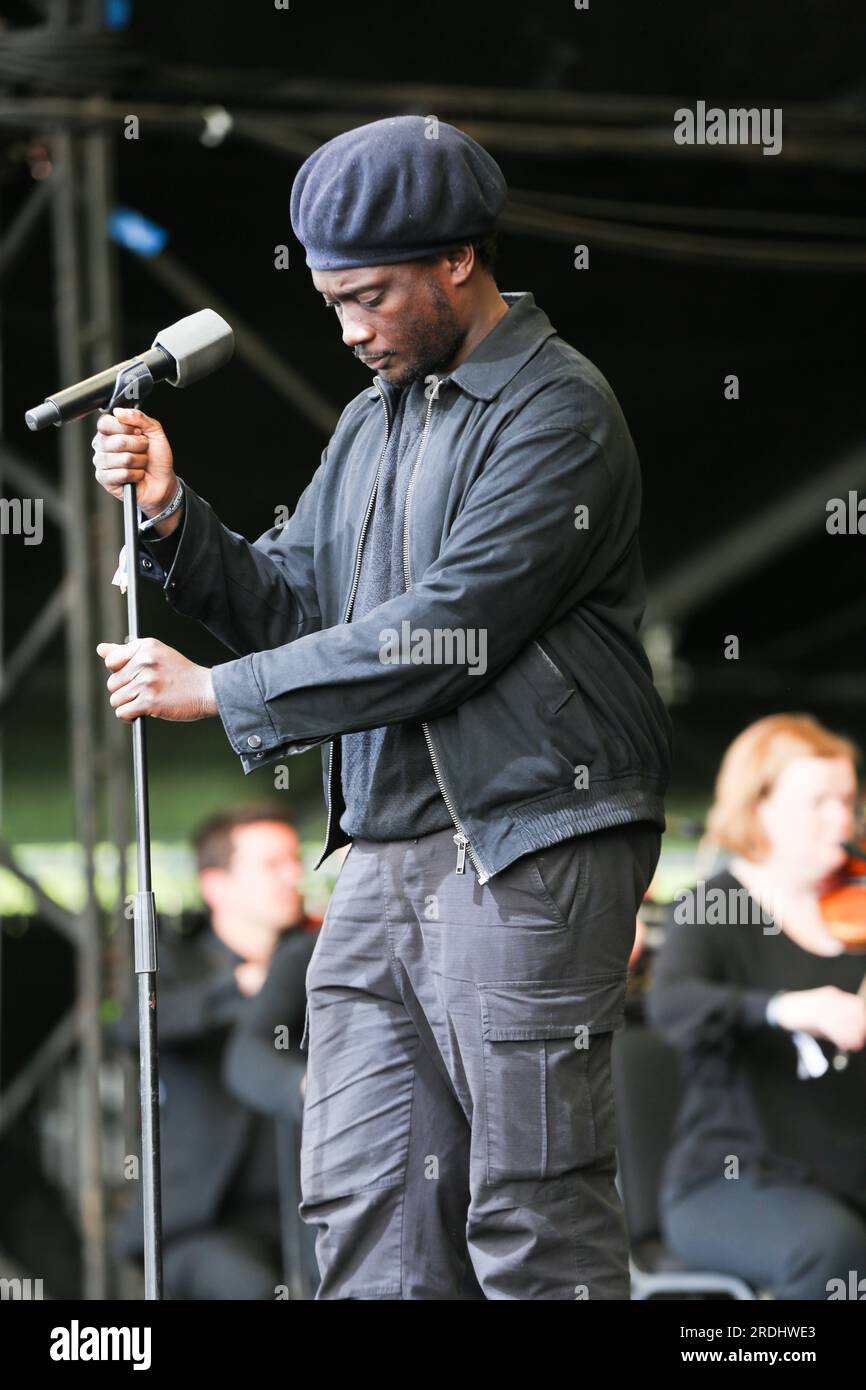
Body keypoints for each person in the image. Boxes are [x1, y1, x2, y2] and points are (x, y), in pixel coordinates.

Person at [92, 115, 672, 1299]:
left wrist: (221, 693)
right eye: (329, 301)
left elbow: (450, 633)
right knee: (365, 1203)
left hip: (526, 844)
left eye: (368, 297)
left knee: (531, 1210)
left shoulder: (556, 411)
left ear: (457, 258)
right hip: (381, 858)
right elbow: (296, 599)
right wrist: (171, 519)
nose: (348, 330)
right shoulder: (373, 419)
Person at [647, 714, 866, 1300]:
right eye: (818, 802)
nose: (841, 820)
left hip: (847, 1172)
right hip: (733, 1183)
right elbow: (672, 1004)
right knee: (834, 1250)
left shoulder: (856, 905)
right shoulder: (713, 906)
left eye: (847, 800)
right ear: (759, 805)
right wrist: (785, 1009)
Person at [113, 803, 319, 1299]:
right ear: (216, 885)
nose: (292, 875)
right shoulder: (177, 966)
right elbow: (130, 1028)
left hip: (307, 1211)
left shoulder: (314, 961)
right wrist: (241, 988)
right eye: (271, 865)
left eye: (294, 860)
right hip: (204, 1222)